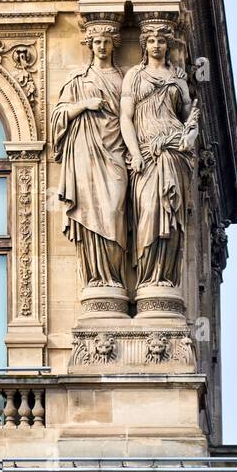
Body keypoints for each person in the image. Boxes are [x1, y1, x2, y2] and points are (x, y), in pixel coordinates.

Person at [50, 21, 129, 291]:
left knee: (115, 211)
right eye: (97, 42)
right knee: (90, 211)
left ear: (114, 44)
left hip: (116, 154)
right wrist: (83, 105)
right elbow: (57, 118)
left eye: (107, 42)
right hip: (85, 153)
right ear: (90, 45)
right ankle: (98, 279)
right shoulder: (78, 81)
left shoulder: (125, 79)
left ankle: (114, 277)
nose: (103, 47)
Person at [121, 20, 198, 287]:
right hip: (146, 154)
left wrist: (191, 133)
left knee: (171, 213)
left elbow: (189, 116)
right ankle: (147, 276)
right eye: (152, 40)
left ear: (168, 45)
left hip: (174, 150)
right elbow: (125, 118)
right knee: (149, 211)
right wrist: (135, 153)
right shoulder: (134, 75)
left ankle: (163, 276)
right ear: (144, 44)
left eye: (162, 41)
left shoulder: (178, 77)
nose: (157, 45)